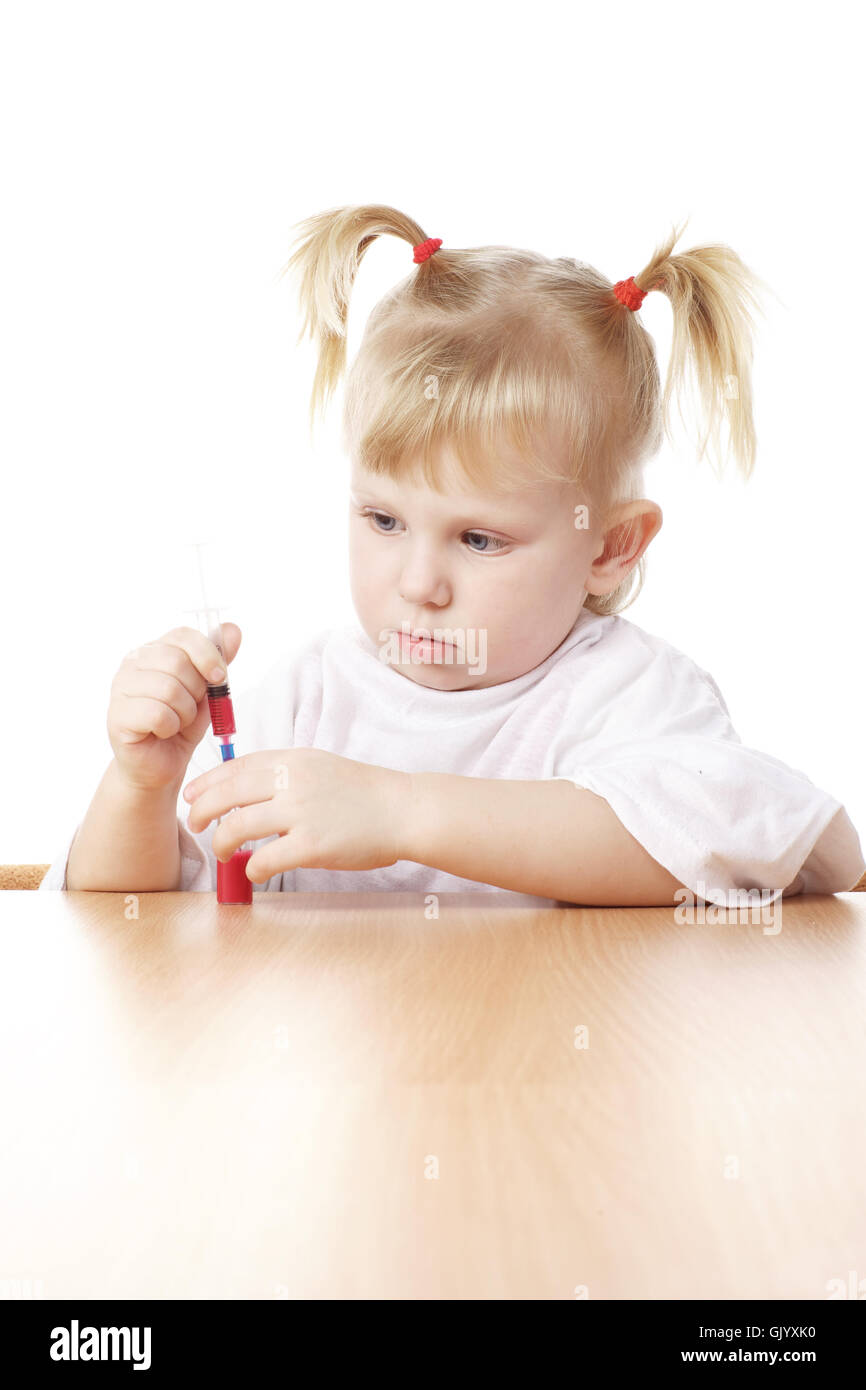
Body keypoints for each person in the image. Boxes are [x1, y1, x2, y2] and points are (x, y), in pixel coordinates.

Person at [40, 205, 866, 907]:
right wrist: (140, 789)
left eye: (478, 539)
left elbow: (745, 846)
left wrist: (400, 811)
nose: (419, 584)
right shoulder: (307, 700)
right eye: (384, 520)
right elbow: (129, 926)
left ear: (611, 546)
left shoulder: (628, 695)